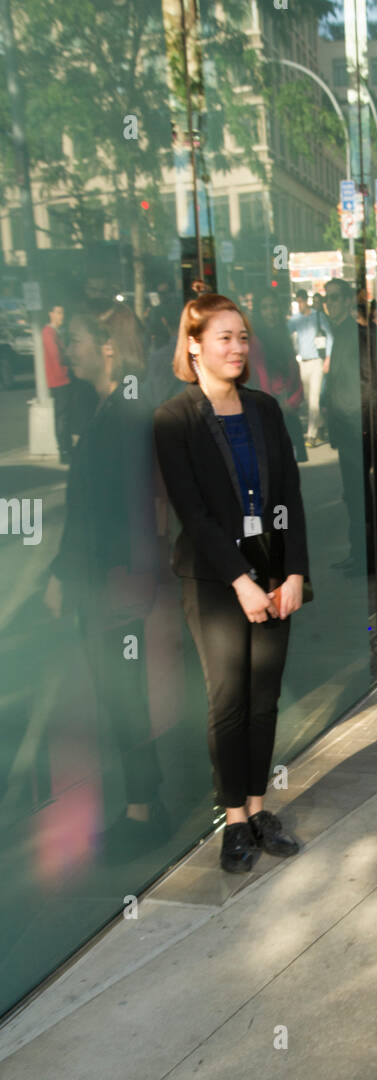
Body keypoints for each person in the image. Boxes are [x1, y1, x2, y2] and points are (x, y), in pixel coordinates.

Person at [153, 294, 310, 870]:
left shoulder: (265, 409)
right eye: (225, 337)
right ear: (193, 344)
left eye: (242, 337)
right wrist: (242, 580)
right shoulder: (175, 419)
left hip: (273, 574)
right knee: (229, 701)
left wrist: (294, 570)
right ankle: (235, 822)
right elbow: (192, 513)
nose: (238, 348)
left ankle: (259, 807)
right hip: (215, 580)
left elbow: (290, 492)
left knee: (264, 700)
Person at [43, 301, 166, 862]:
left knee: (123, 695)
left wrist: (108, 574)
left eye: (77, 340)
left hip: (114, 580)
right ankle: (144, 799)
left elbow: (124, 505)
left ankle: (143, 809)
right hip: (107, 577)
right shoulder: (110, 405)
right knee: (119, 692)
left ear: (108, 348)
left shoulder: (124, 409)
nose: (70, 349)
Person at [321, 277, 377, 573]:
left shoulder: (358, 335)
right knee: (359, 495)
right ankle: (363, 556)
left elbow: (372, 385)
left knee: (361, 495)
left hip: (360, 428)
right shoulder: (349, 334)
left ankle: (367, 559)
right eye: (327, 298)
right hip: (360, 428)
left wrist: (350, 420)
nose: (331, 303)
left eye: (337, 297)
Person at [248, 290, 307, 466]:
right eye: (264, 308)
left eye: (273, 306)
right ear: (258, 312)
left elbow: (296, 376)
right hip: (266, 413)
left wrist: (292, 402)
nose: (270, 312)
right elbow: (259, 376)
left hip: (287, 411)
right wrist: (274, 407)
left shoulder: (285, 335)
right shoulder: (254, 341)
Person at [288, 288, 332, 448]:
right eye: (297, 301)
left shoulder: (317, 316)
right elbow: (286, 333)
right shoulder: (295, 319)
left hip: (317, 362)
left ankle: (311, 435)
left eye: (301, 301)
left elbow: (330, 337)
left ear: (306, 300)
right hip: (303, 362)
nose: (300, 304)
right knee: (308, 400)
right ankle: (321, 426)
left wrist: (328, 358)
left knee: (314, 399)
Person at [43, 304, 74, 465]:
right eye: (58, 312)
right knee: (62, 417)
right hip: (59, 379)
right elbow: (57, 355)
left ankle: (66, 447)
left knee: (64, 416)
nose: (62, 316)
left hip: (61, 378)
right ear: (51, 314)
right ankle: (64, 450)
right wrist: (69, 358)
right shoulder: (49, 333)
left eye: (63, 312)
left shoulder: (55, 332)